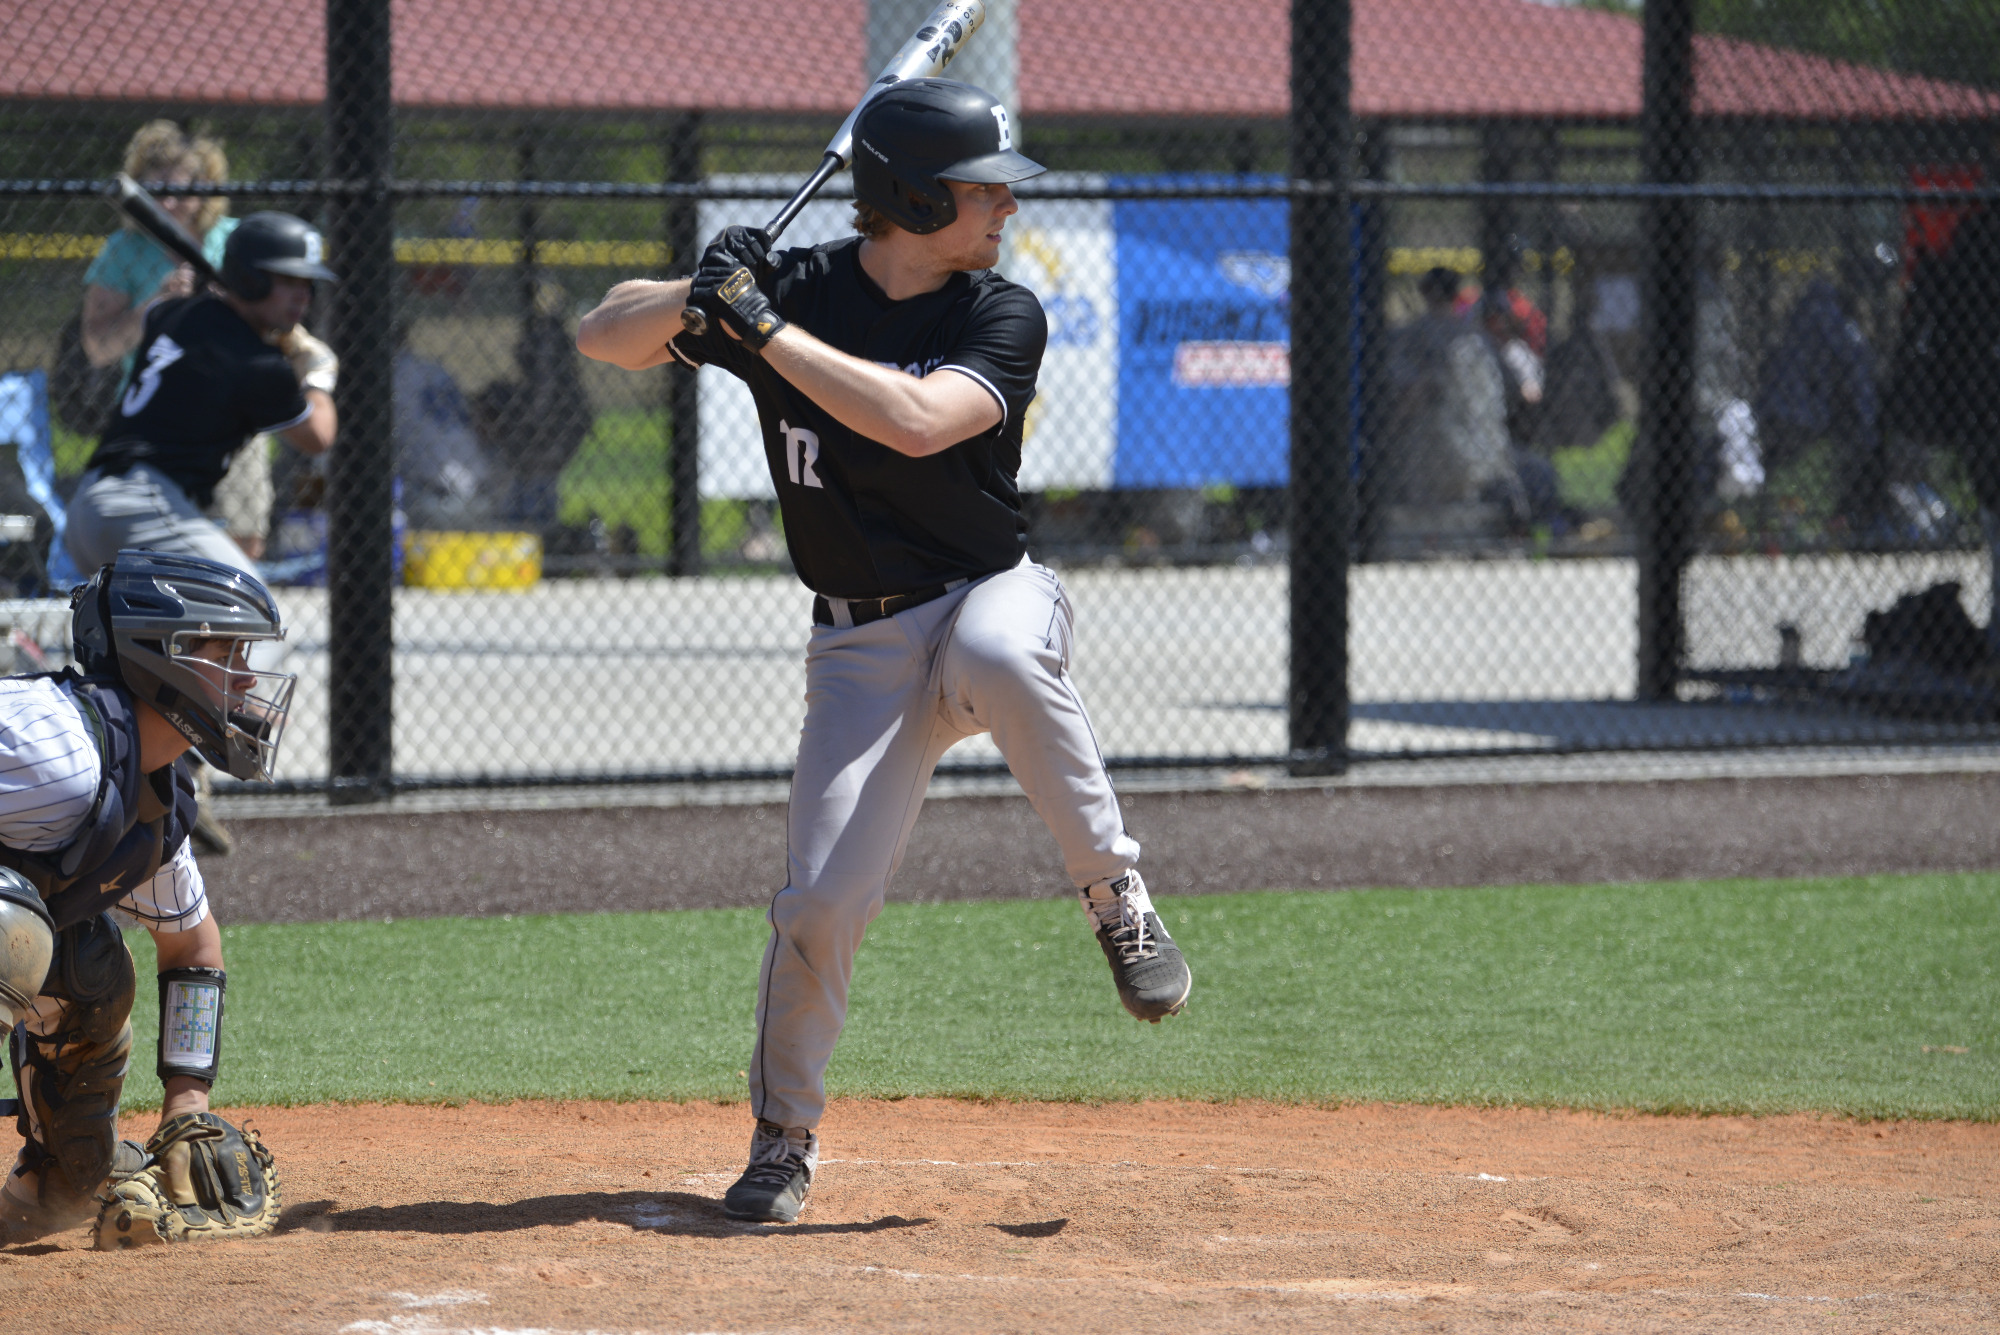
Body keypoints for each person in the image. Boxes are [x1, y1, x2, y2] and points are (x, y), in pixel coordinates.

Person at [577, 78, 1191, 1225]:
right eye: (981, 190)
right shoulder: (793, 288)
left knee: (1009, 659)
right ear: (907, 196)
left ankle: (1114, 894)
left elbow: (912, 422)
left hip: (986, 597)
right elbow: (601, 338)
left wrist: (758, 328)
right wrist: (691, 292)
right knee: (820, 901)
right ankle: (781, 1141)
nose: (1005, 209)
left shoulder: (997, 311)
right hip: (856, 647)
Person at [0, 550, 291, 1247]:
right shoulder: (53, 748)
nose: (250, 680)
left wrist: (183, 1111)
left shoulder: (148, 808)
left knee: (91, 974)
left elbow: (193, 947)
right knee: (10, 930)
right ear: (170, 655)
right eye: (233, 655)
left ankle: (36, 1191)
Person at [66, 210, 337, 856]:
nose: (300, 298)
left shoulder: (181, 316)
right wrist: (318, 372)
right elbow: (317, 435)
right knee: (254, 614)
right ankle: (179, 761)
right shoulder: (254, 361)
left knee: (166, 654)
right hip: (140, 502)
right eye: (283, 283)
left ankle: (155, 781)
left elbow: (169, 318)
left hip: (99, 506)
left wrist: (265, 331)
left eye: (306, 286)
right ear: (243, 277)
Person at [80, 121, 273, 560]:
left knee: (246, 534)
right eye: (155, 189)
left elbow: (274, 319)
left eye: (181, 190)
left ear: (205, 189)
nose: (168, 201)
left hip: (233, 402)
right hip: (156, 409)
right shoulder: (124, 249)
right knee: (158, 533)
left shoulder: (236, 240)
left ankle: (224, 619)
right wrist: (154, 304)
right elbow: (97, 347)